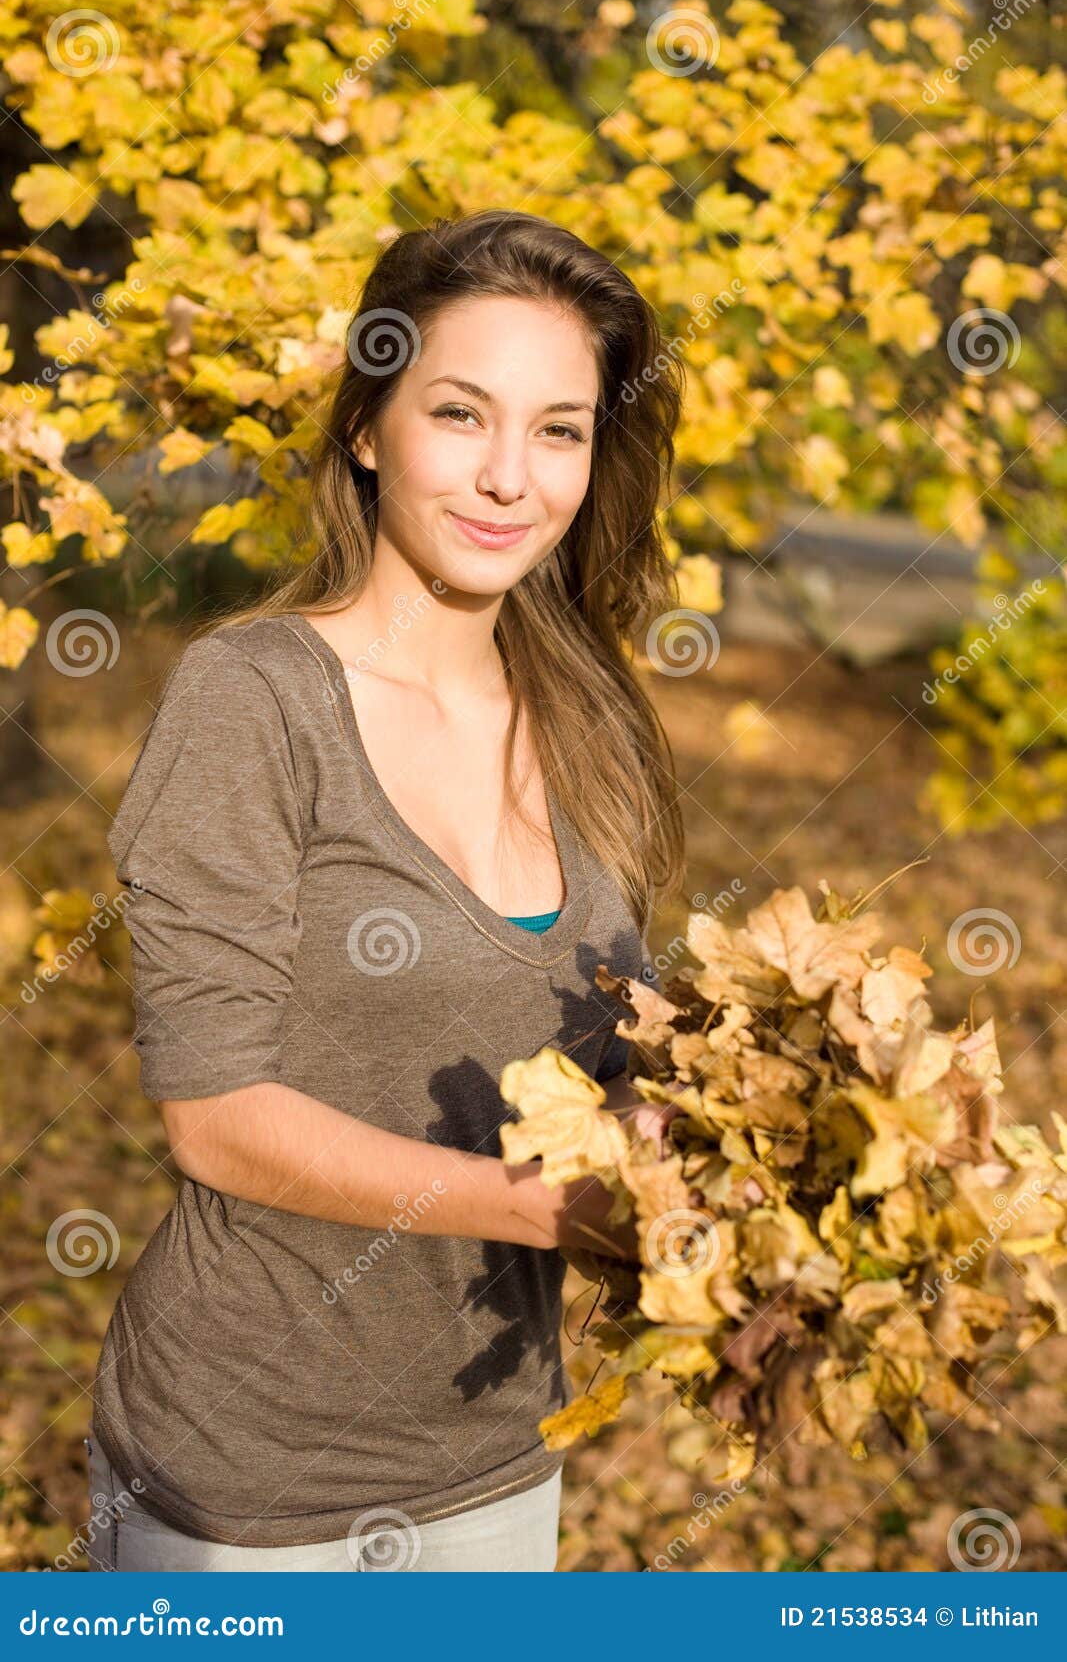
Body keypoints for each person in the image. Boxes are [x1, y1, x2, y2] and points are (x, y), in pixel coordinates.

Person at [86, 208, 686, 1571]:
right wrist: (544, 1207)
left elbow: (617, 1048)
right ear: (369, 428)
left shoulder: (589, 710)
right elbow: (219, 1119)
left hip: (496, 1455)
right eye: (460, 413)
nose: (508, 478)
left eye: (559, 429)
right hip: (248, 1483)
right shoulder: (254, 698)